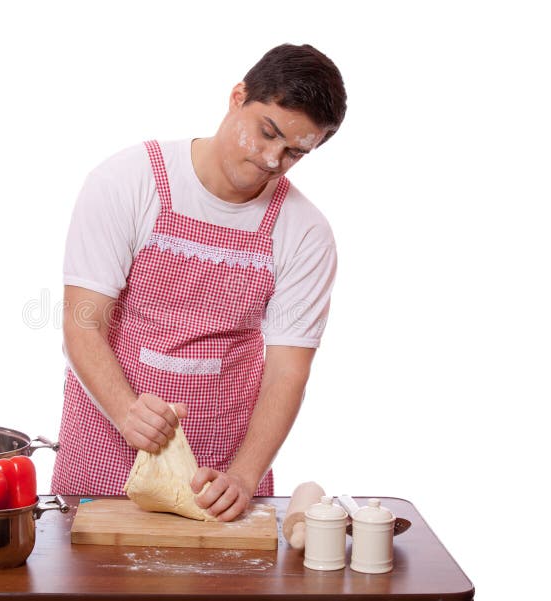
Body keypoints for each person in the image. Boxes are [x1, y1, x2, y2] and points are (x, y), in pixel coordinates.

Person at [51, 43, 346, 521]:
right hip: (103, 459)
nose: (272, 159)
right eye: (266, 132)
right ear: (237, 96)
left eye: (295, 151)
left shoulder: (306, 233)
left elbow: (287, 372)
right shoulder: (127, 181)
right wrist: (128, 413)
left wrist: (245, 477)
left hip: (221, 472)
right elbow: (82, 325)